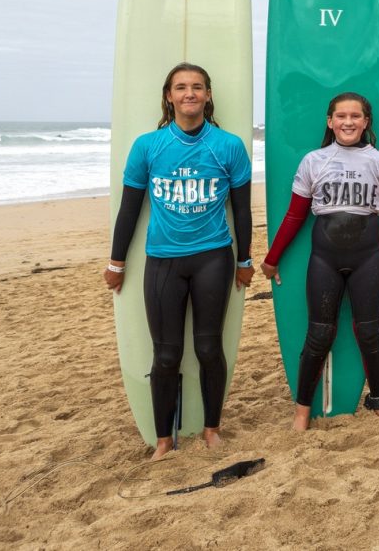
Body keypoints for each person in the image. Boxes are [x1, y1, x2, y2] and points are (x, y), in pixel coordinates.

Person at [105, 63, 253, 460]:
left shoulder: (228, 146)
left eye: (197, 87)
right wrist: (117, 263)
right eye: (181, 87)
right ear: (169, 97)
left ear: (208, 95)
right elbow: (129, 210)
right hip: (163, 261)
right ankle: (164, 441)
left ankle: (211, 429)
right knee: (166, 355)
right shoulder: (148, 146)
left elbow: (242, 211)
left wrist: (245, 259)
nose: (190, 93)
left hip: (213, 258)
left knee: (208, 348)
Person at [261, 92, 379, 431]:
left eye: (355, 116)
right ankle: (302, 411)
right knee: (319, 334)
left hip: (368, 259)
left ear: (366, 122)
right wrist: (273, 258)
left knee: (370, 332)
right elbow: (295, 215)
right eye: (341, 116)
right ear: (330, 122)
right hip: (325, 259)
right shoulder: (314, 161)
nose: (348, 122)